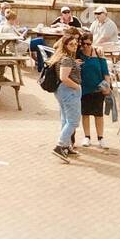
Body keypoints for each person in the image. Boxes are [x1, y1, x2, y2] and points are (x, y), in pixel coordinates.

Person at [50, 31, 83, 161]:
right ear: (65, 45)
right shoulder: (66, 59)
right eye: (71, 44)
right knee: (73, 121)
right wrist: (77, 86)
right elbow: (64, 77)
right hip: (69, 90)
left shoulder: (63, 57)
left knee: (65, 119)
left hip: (63, 91)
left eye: (75, 44)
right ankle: (60, 145)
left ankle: (66, 145)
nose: (74, 46)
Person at [76, 33, 111, 150]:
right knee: (85, 113)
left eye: (88, 44)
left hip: (98, 89)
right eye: (83, 44)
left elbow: (106, 73)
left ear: (92, 43)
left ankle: (101, 137)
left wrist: (107, 87)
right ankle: (87, 136)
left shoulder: (99, 55)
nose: (86, 46)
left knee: (98, 114)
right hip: (84, 89)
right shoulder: (78, 54)